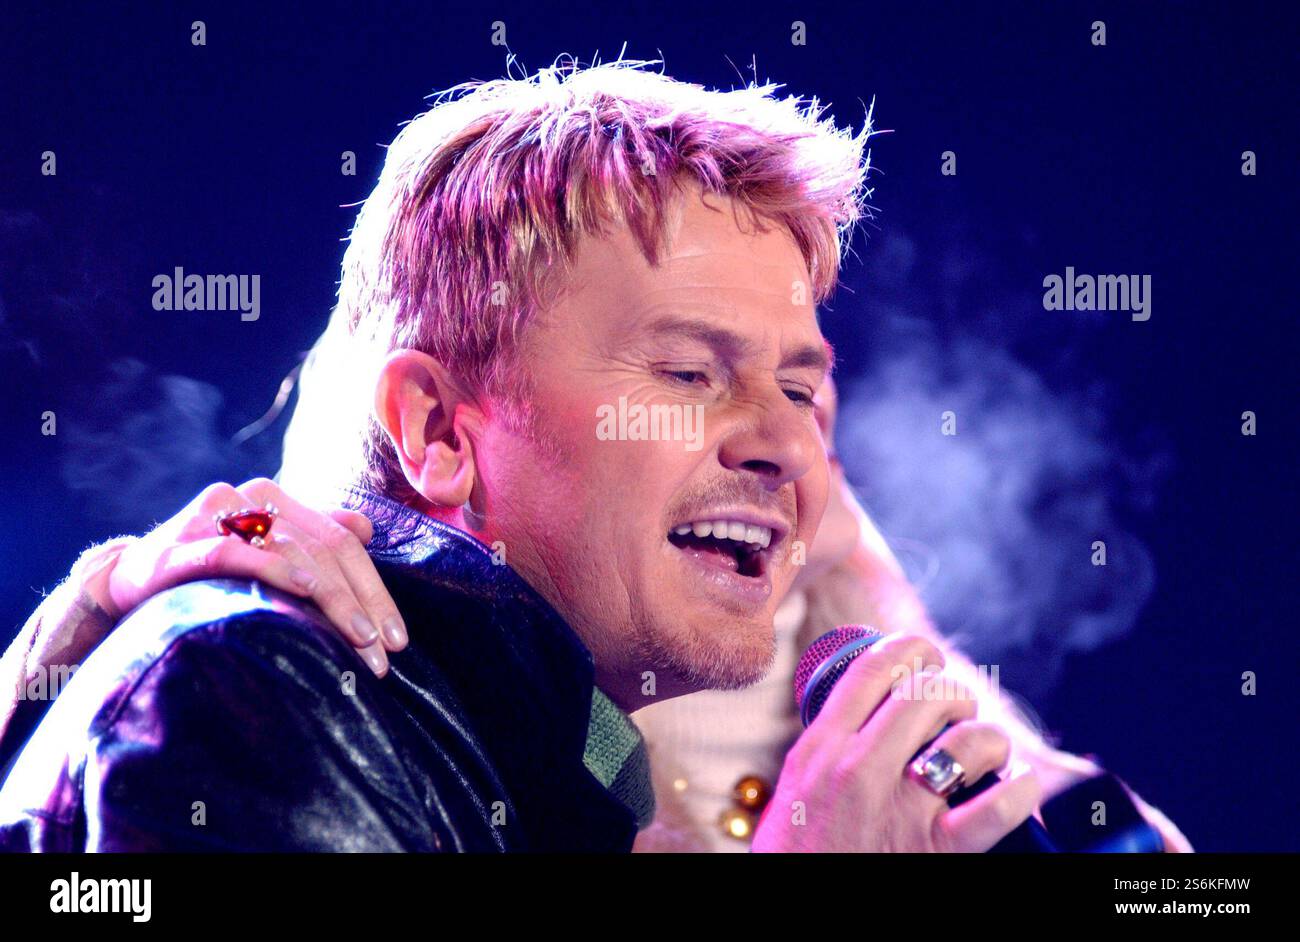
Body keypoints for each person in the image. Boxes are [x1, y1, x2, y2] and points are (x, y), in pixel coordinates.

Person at [0, 60, 1187, 852]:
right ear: (435, 431)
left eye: (801, 390)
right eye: (686, 372)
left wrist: (921, 666)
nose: (789, 449)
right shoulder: (270, 686)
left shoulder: (566, 756)